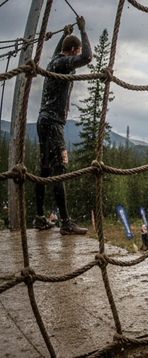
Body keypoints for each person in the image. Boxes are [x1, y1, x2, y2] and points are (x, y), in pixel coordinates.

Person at [33, 18, 91, 235]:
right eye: (76, 51)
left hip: (44, 122)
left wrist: (64, 35)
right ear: (73, 50)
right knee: (59, 170)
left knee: (45, 170)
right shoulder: (62, 63)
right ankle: (65, 222)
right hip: (53, 124)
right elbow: (87, 57)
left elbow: (62, 52)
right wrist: (83, 30)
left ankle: (40, 217)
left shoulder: (54, 62)